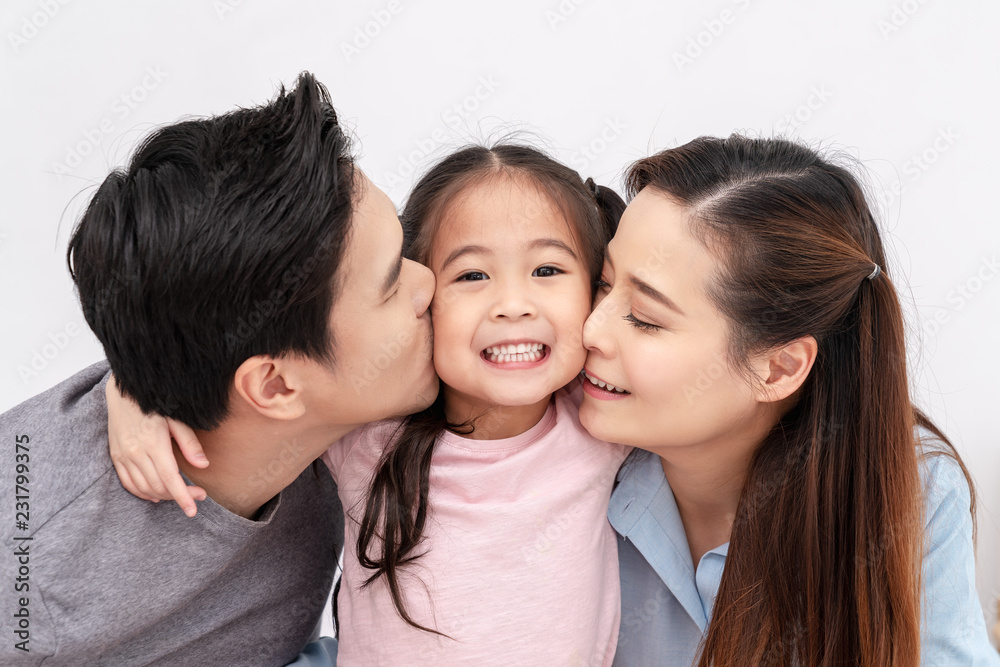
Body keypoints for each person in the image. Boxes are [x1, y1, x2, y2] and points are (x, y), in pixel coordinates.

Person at [108, 144, 632, 665]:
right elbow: (201, 341)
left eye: (547, 271)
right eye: (472, 276)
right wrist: (132, 394)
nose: (513, 306)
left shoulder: (602, 421)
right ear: (422, 297)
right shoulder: (370, 433)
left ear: (595, 291)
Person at [0, 72, 437, 666]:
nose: (430, 283)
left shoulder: (323, 411)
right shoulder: (32, 567)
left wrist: (126, 387)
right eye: (391, 285)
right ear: (275, 386)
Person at [580, 134, 999, 665]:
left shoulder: (907, 487)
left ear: (778, 367)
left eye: (645, 317)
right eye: (602, 282)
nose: (590, 330)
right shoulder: (554, 448)